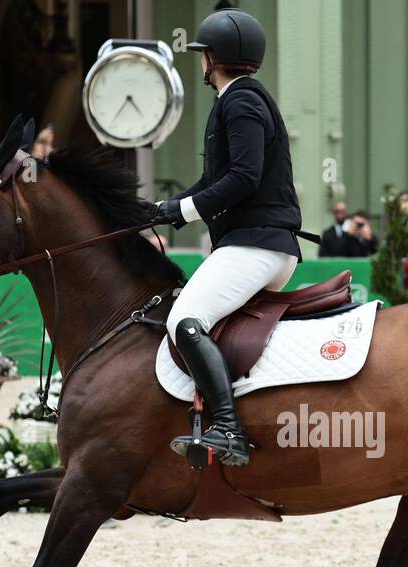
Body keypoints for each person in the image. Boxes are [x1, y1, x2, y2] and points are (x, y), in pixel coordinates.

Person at [150, 8, 302, 467]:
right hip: (260, 244)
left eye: (202, 55)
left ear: (212, 58)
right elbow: (211, 180)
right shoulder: (240, 100)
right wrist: (164, 211)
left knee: (185, 319)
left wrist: (186, 210)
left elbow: (244, 178)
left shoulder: (240, 102)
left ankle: (229, 428)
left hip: (256, 245)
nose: (200, 61)